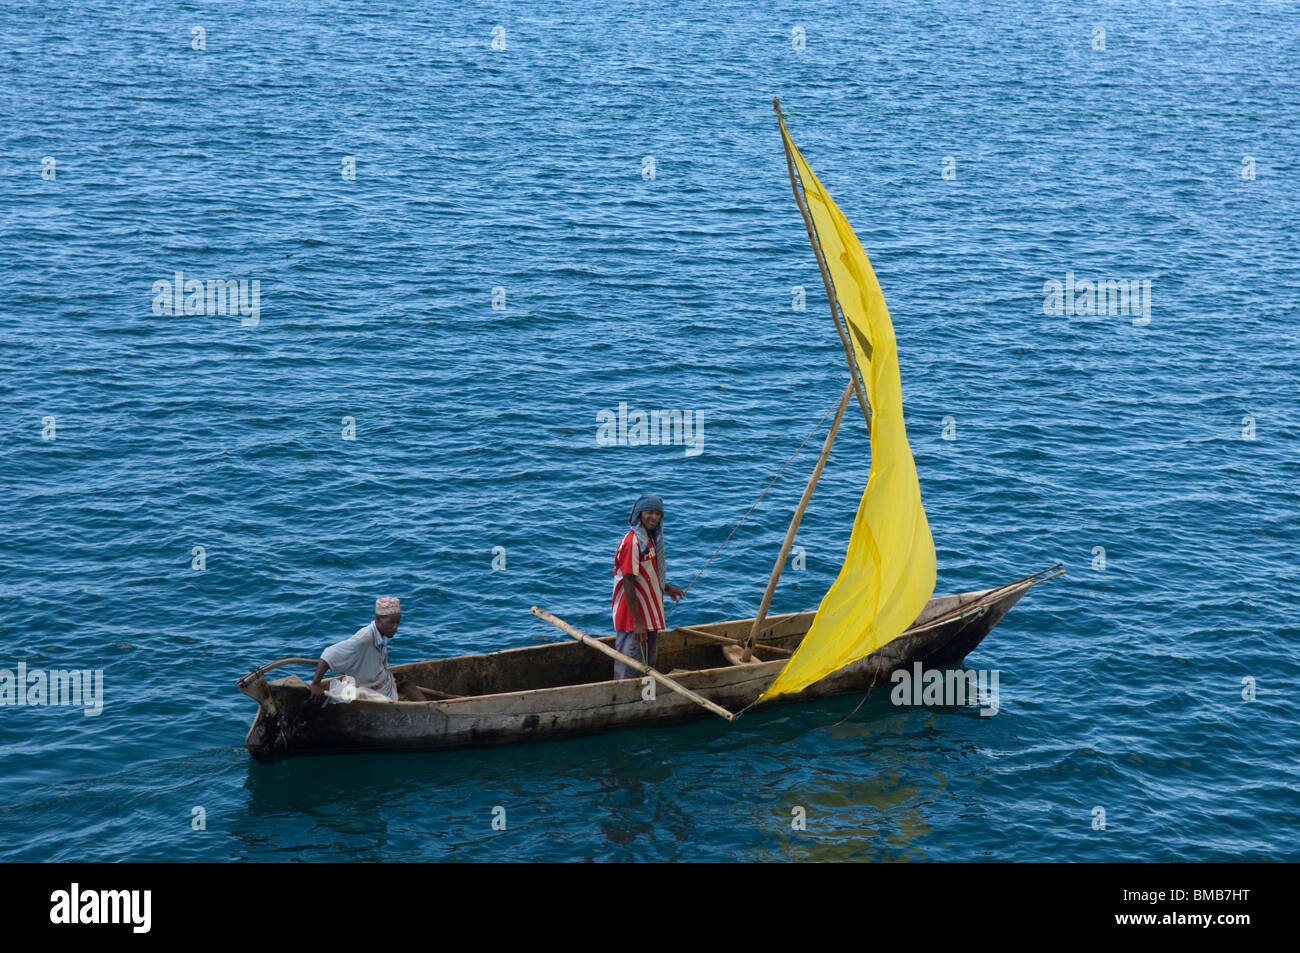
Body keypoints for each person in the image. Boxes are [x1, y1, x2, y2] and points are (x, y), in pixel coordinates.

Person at [611, 494, 685, 679]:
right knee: (630, 664)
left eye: (658, 514)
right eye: (649, 513)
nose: (654, 517)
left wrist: (666, 588)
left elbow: (646, 574)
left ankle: (647, 700)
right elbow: (628, 581)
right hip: (633, 618)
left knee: (649, 665)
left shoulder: (650, 539)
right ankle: (625, 700)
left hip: (649, 614)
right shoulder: (633, 542)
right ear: (639, 514)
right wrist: (637, 622)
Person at [309, 597, 402, 702]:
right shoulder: (364, 639)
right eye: (391, 623)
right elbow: (328, 655)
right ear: (378, 619)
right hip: (368, 690)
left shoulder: (383, 633)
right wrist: (315, 684)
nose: (395, 627)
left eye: (397, 623)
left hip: (382, 682)